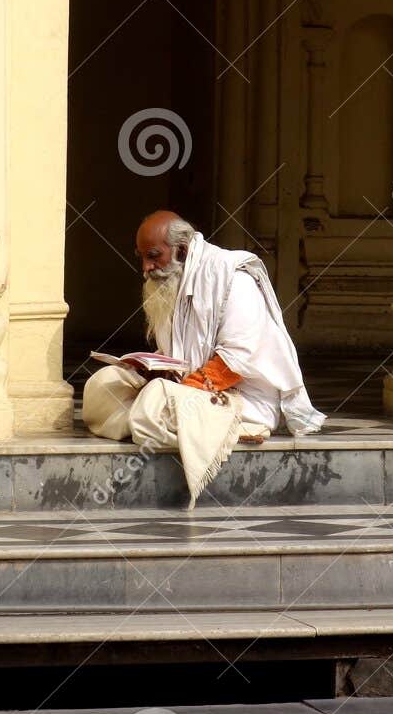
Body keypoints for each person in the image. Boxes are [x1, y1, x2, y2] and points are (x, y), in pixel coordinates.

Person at [82, 211, 325, 505]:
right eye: (142, 257)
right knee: (104, 384)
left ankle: (233, 427)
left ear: (182, 250)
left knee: (154, 401)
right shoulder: (171, 283)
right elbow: (181, 352)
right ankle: (175, 423)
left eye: (154, 256)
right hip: (190, 390)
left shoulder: (232, 278)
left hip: (239, 398)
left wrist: (179, 389)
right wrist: (154, 369)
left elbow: (237, 359)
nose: (146, 267)